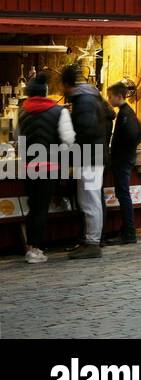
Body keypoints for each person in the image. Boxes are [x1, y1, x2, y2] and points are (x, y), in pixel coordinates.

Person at [18, 74, 74, 264]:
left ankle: (31, 247)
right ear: (46, 92)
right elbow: (68, 139)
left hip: (29, 166)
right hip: (50, 166)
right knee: (41, 208)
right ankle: (34, 249)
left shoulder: (22, 111)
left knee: (33, 207)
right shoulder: (59, 111)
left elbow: (20, 139)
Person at [63, 64, 109, 259]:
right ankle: (90, 240)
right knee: (89, 199)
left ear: (67, 84)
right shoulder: (92, 98)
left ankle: (92, 242)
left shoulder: (84, 101)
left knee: (89, 199)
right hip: (93, 154)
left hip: (89, 156)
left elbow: (85, 131)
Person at [104, 81, 141, 246]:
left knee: (123, 195)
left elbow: (131, 134)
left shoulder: (124, 114)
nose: (108, 99)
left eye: (110, 96)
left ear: (118, 96)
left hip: (122, 160)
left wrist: (118, 151)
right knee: (123, 194)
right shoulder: (127, 112)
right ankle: (127, 230)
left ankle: (128, 232)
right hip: (126, 158)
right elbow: (140, 131)